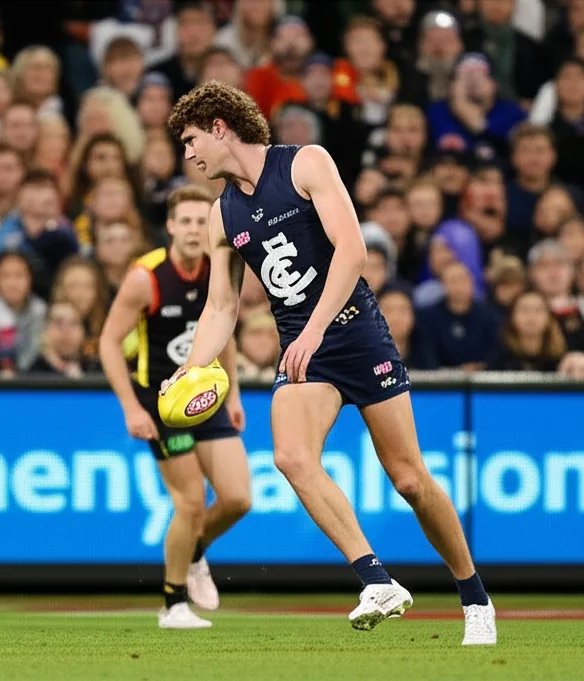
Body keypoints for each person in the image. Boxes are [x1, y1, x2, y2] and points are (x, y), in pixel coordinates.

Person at [165, 81, 496, 645]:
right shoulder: (222, 215)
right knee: (292, 457)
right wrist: (192, 369)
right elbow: (221, 306)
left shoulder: (305, 164)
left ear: (220, 126)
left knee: (410, 479)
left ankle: (475, 598)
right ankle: (376, 579)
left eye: (192, 139)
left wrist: (313, 331)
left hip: (354, 335)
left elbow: (353, 250)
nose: (188, 154)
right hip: (303, 348)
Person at [99, 183, 252, 630]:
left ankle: (196, 551)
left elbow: (226, 335)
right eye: (183, 220)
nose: (191, 229)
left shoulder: (220, 269)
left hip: (207, 396)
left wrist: (235, 396)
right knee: (189, 503)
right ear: (169, 226)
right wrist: (131, 408)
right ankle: (174, 604)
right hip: (162, 403)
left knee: (239, 498)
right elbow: (108, 342)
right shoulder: (145, 277)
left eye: (199, 221)